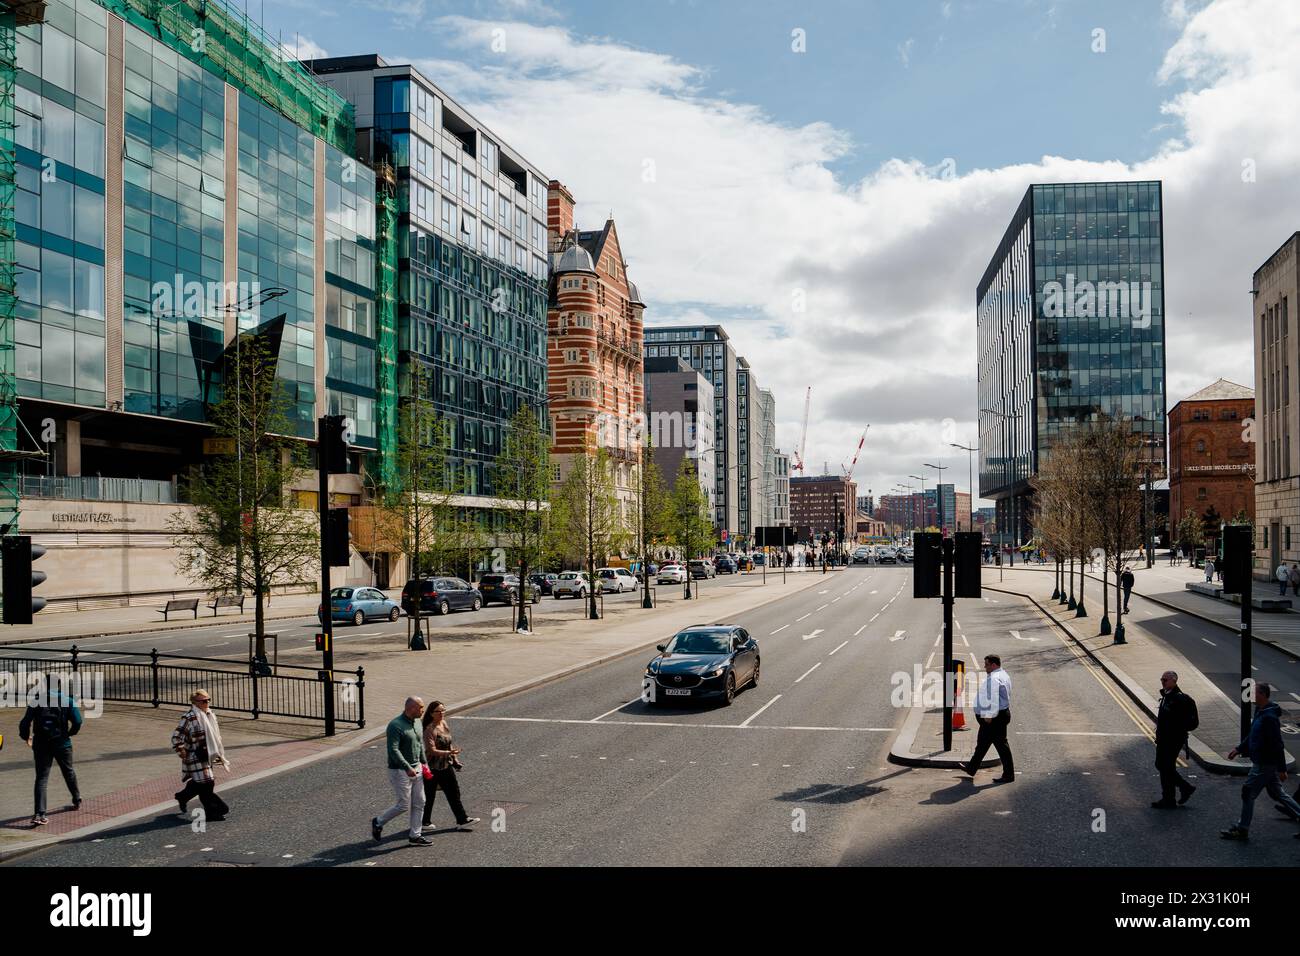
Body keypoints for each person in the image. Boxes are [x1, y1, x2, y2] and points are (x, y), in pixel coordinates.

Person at [1220, 683, 1300, 840]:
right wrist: (1239, 749)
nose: (1251, 696)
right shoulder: (1261, 711)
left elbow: (1277, 744)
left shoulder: (1269, 718)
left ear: (1262, 695)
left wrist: (1282, 768)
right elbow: (1253, 735)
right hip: (1263, 761)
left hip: (1265, 763)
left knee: (1248, 792)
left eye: (1254, 693)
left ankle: (1242, 829)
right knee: (1279, 794)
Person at [19, 683, 83, 827]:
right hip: (62, 743)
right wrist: (69, 733)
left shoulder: (36, 700)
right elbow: (78, 721)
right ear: (59, 686)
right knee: (68, 771)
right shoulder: (67, 700)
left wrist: (26, 737)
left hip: (41, 744)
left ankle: (39, 814)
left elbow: (24, 723)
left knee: (41, 777)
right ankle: (77, 799)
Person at [371, 696, 431, 846]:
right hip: (400, 771)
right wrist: (407, 767)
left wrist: (424, 763)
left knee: (420, 802)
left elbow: (419, 744)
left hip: (416, 767)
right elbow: (393, 750)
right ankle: (378, 822)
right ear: (410, 708)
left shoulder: (417, 722)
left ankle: (415, 836)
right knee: (403, 805)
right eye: (421, 708)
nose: (423, 711)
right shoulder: (395, 725)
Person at [171, 688, 231, 822]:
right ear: (194, 702)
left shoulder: (210, 714)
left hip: (207, 754)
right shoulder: (189, 717)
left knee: (203, 784)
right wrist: (182, 751)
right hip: (195, 756)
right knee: (207, 783)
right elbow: (176, 737)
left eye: (208, 699)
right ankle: (219, 809)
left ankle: (183, 796)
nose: (207, 702)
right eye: (203, 701)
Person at [420, 700, 480, 832]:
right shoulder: (429, 729)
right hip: (433, 767)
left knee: (451, 792)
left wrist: (455, 759)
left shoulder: (444, 724)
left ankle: (459, 819)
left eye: (443, 710)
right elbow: (431, 750)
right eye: (438, 711)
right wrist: (449, 753)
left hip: (446, 764)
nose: (441, 713)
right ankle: (459, 820)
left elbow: (449, 744)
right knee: (433, 794)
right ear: (431, 713)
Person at [960, 655, 1014, 783]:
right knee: (983, 743)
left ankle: (1009, 775)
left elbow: (993, 699)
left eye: (987, 664)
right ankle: (971, 768)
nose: (985, 667)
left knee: (1001, 746)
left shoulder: (995, 678)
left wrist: (989, 715)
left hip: (994, 718)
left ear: (994, 665)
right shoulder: (1003, 674)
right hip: (999, 715)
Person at [1151, 671, 1198, 808]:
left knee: (1165, 766)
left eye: (1165, 680)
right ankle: (1178, 793)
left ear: (1174, 681)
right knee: (1163, 766)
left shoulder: (1179, 699)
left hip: (1172, 740)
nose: (1162, 682)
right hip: (1164, 739)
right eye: (1162, 679)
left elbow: (1184, 722)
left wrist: (1175, 732)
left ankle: (1172, 796)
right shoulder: (1167, 696)